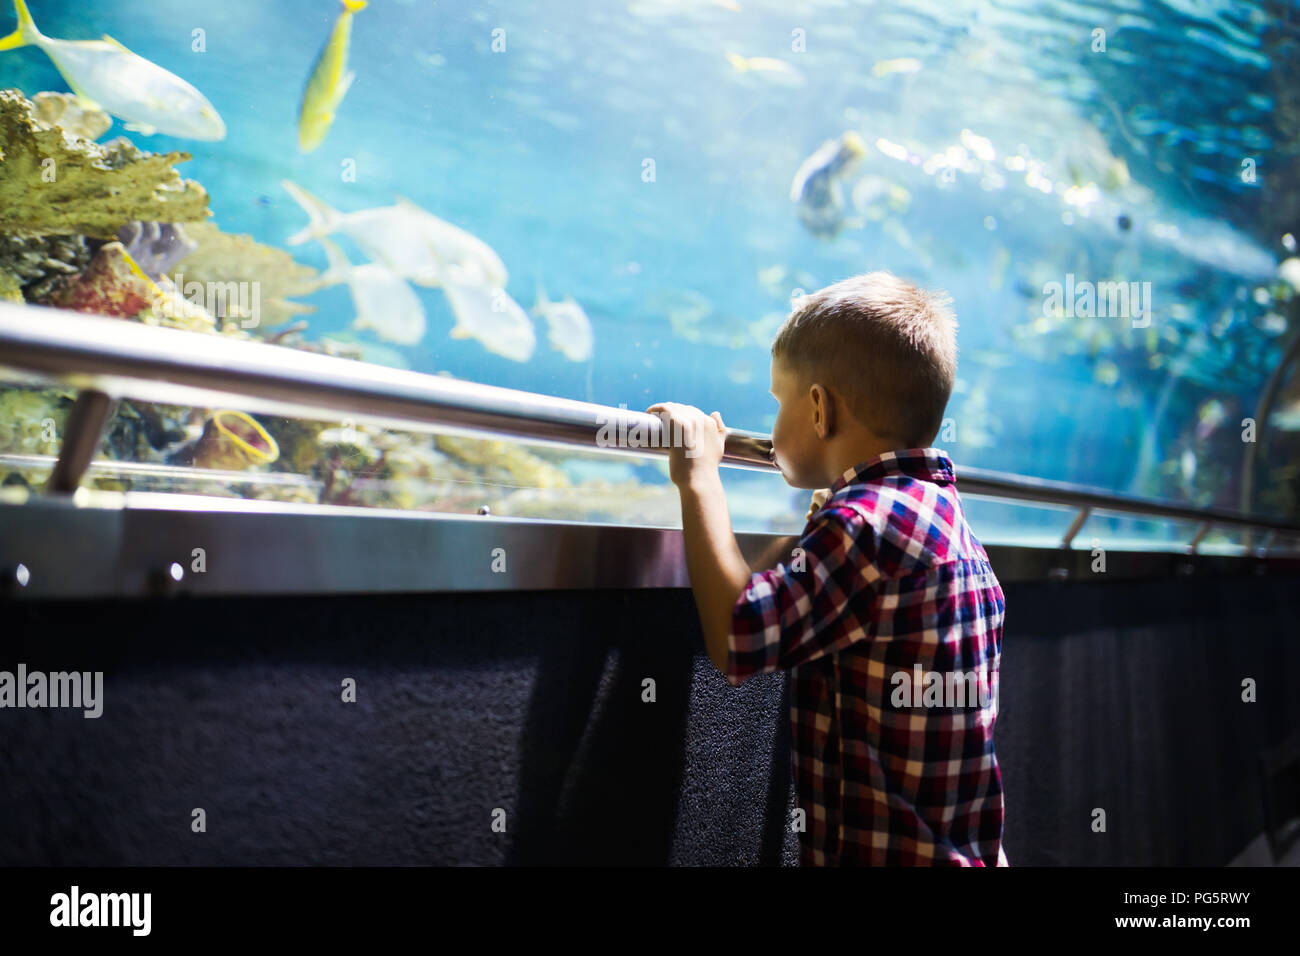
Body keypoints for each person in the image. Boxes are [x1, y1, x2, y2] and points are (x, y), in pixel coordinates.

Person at [649, 271, 1008, 866]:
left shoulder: (862, 527)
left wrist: (699, 477)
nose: (770, 429)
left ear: (818, 407)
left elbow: (742, 637)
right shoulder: (947, 522)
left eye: (777, 402)